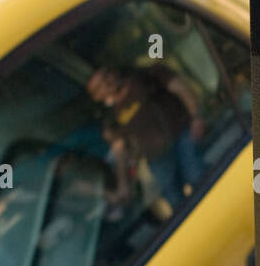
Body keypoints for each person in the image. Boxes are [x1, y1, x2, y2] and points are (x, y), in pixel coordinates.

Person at [86, 64, 205, 219]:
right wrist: (123, 184)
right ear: (97, 96)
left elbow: (180, 88)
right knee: (176, 203)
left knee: (198, 179)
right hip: (156, 158)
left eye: (106, 76)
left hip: (181, 136)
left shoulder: (144, 77)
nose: (107, 83)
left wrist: (196, 116)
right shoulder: (110, 116)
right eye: (99, 86)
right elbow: (119, 148)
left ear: (113, 72)